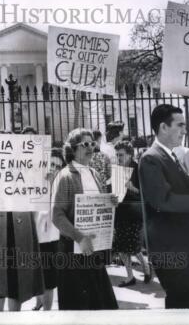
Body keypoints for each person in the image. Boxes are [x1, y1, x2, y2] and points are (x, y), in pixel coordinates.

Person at [0, 108, 44, 311]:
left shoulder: (25, 165)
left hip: (19, 222)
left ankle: (14, 316)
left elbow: (37, 190)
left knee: (17, 274)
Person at [139, 104, 189, 309]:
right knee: (181, 303)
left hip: (183, 244)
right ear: (163, 127)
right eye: (180, 125)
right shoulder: (151, 158)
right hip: (170, 247)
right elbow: (161, 200)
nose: (184, 130)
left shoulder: (170, 155)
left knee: (185, 300)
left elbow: (183, 188)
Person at [52, 128, 118, 310]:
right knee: (79, 309)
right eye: (85, 144)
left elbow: (101, 206)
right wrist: (79, 237)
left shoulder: (95, 174)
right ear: (73, 149)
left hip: (94, 251)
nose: (91, 148)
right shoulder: (65, 176)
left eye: (93, 144)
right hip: (73, 252)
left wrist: (110, 202)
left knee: (101, 306)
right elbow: (57, 215)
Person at [112, 140, 151, 287]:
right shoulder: (117, 169)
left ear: (129, 155)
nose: (118, 158)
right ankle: (130, 277)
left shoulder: (139, 169)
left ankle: (146, 267)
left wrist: (132, 188)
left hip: (134, 213)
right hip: (121, 212)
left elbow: (146, 194)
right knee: (121, 247)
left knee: (133, 247)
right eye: (116, 155)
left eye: (121, 155)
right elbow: (115, 191)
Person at [33, 148, 65, 311]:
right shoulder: (34, 180)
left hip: (50, 237)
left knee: (49, 279)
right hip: (33, 234)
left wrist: (52, 185)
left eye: (57, 166)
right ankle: (39, 302)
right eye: (51, 164)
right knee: (35, 274)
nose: (53, 168)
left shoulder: (61, 185)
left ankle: (47, 311)